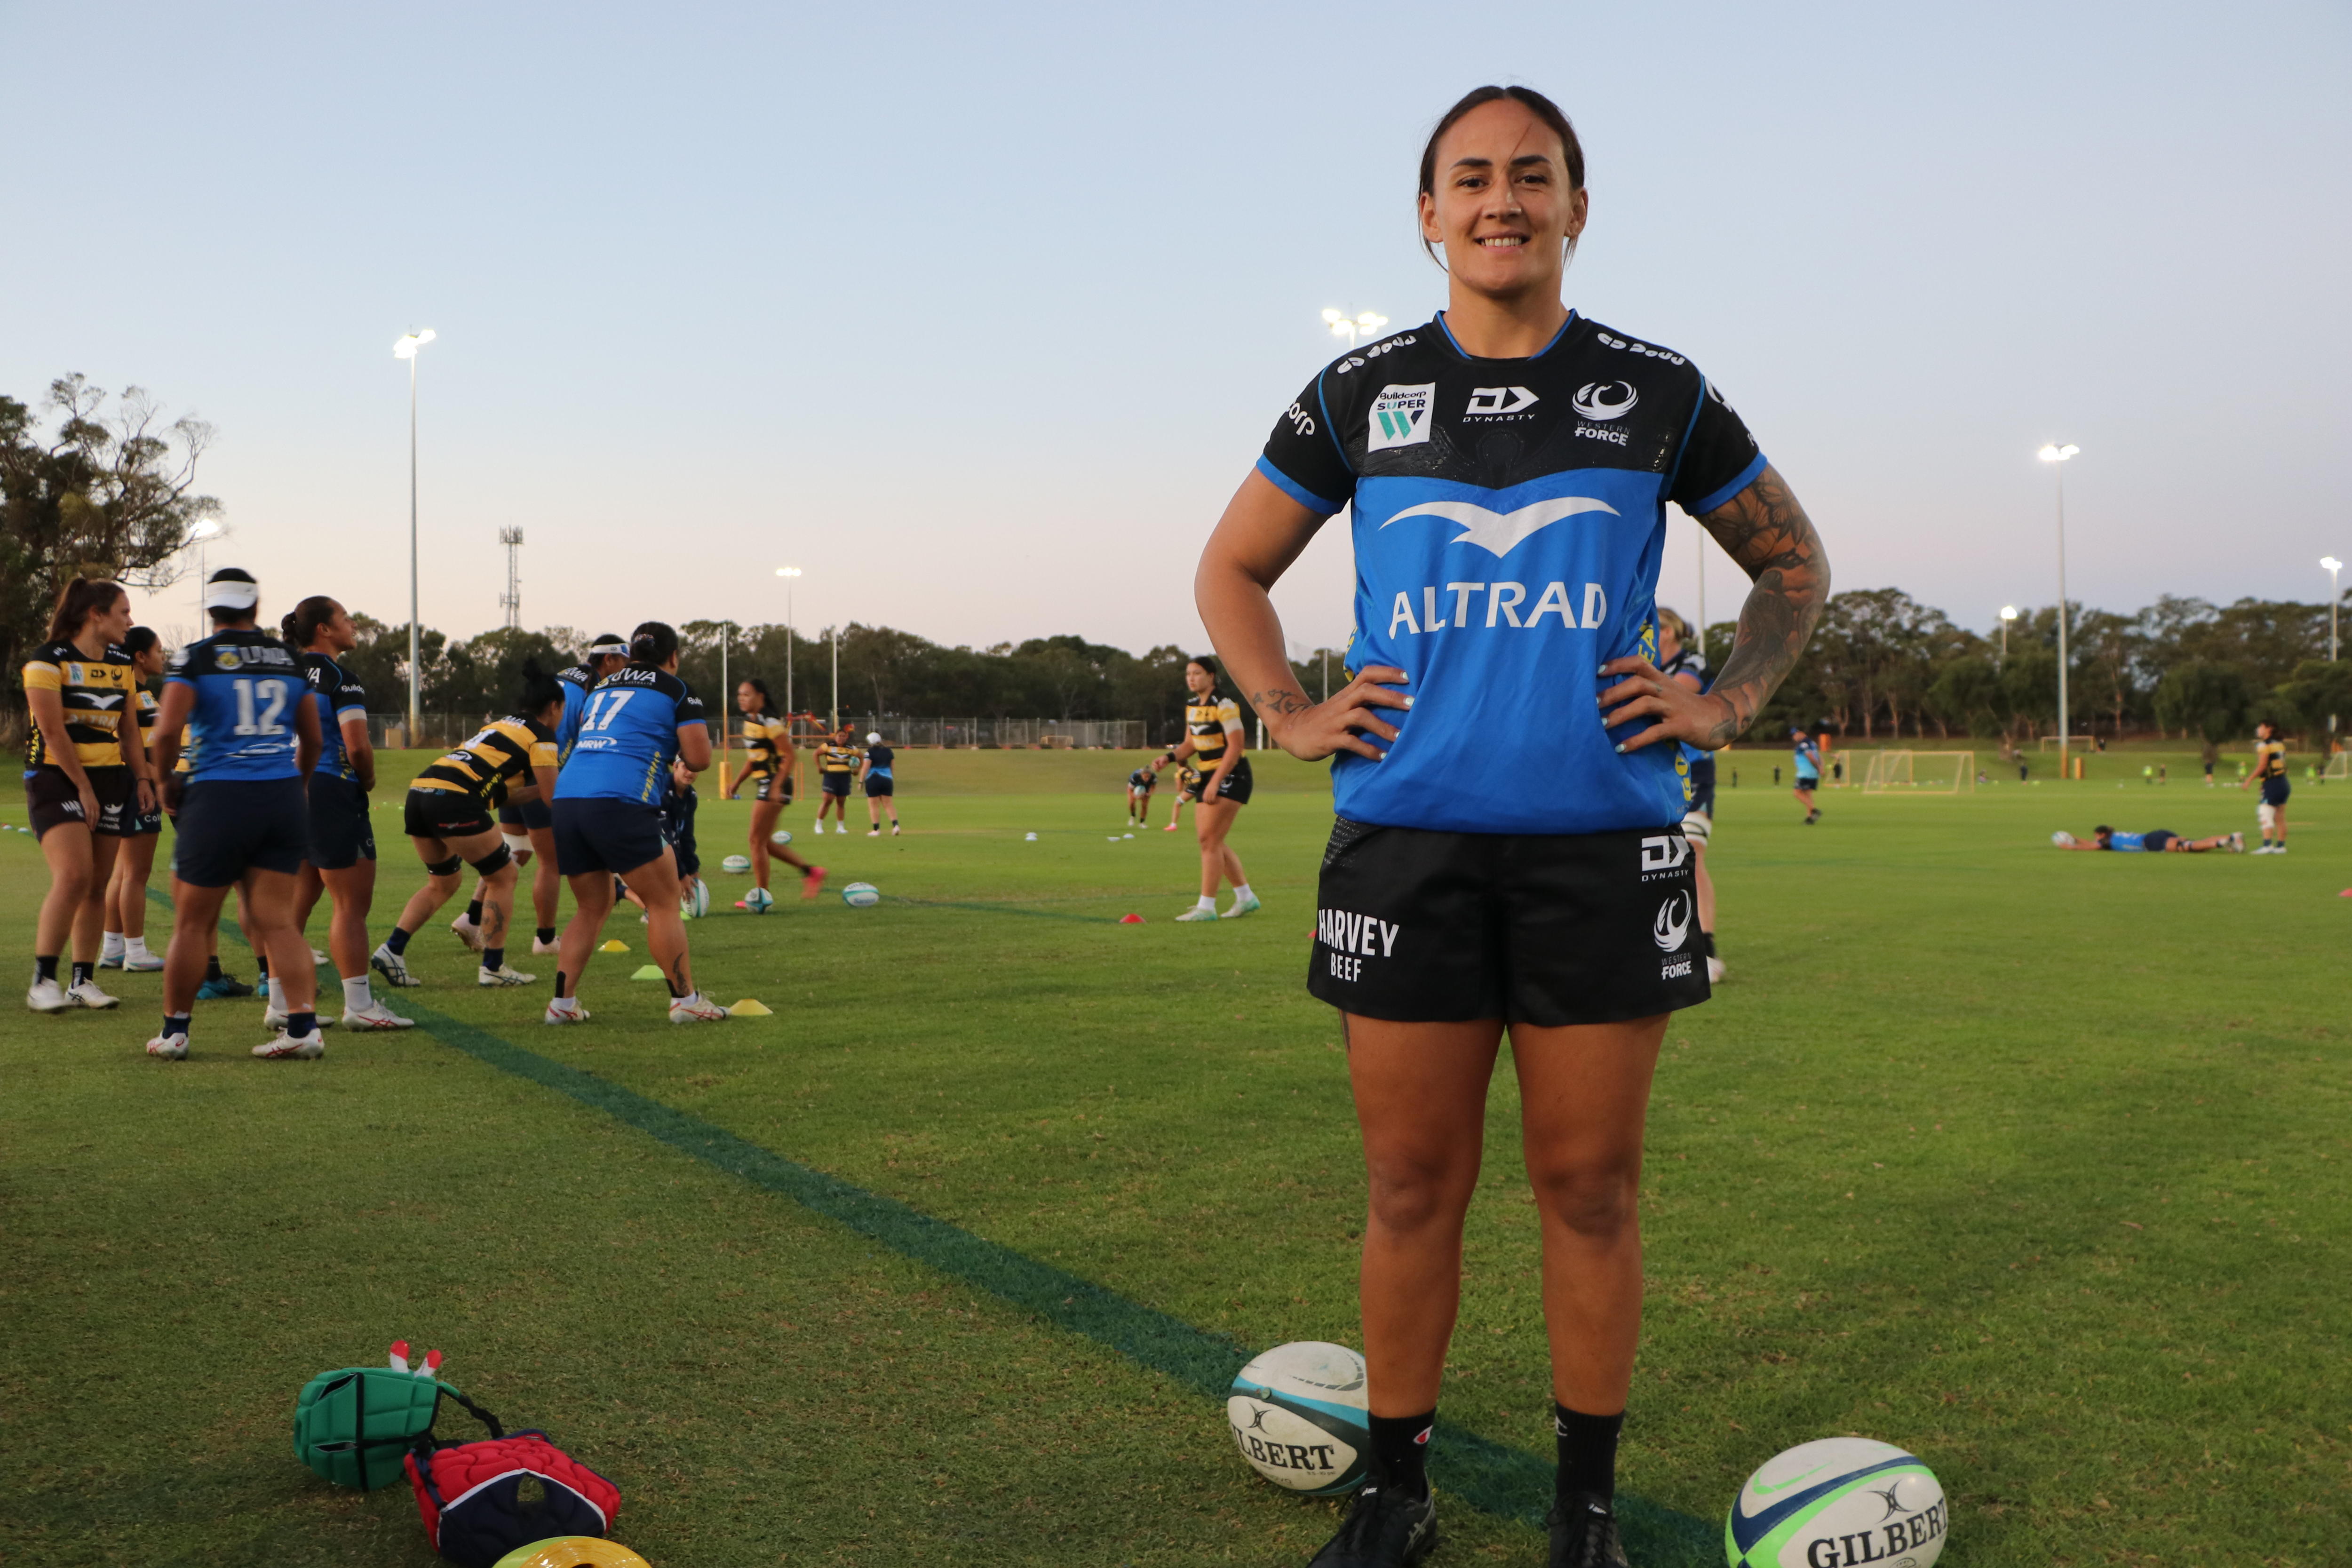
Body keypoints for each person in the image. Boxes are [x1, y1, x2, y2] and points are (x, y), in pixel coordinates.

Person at [1192, 85, 1828, 1566]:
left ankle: (1581, 1512)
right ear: (1425, 215)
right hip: (1404, 843)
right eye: (1468, 179)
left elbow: (1790, 561)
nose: (1500, 201)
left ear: (1575, 208)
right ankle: (1395, 1492)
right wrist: (1287, 709)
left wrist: (1721, 704)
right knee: (1411, 1185)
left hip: (1600, 844)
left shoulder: (1656, 389)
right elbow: (1231, 568)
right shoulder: (1356, 392)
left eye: (1530, 177)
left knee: (1590, 1189)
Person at [145, 568, 325, 1059]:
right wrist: (297, 785)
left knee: (192, 923)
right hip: (281, 796)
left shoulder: (198, 657)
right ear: (255, 606)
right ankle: (304, 1028)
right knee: (279, 922)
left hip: (218, 796)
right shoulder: (288, 657)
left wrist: (164, 782)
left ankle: (175, 1032)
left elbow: (164, 734)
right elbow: (312, 739)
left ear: (212, 609)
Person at [547, 621, 727, 1024]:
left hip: (568, 799)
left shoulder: (601, 686)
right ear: (674, 656)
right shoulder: (676, 688)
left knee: (590, 907)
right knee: (663, 902)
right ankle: (686, 1001)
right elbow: (698, 759)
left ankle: (561, 1005)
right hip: (619, 800)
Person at [371, 669, 563, 991]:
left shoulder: (498, 726)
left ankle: (392, 950)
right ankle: (493, 966)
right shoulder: (543, 735)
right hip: (455, 798)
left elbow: (506, 791)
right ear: (555, 707)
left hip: (421, 790)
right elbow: (553, 796)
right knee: (503, 876)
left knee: (443, 882)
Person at [23, 578, 157, 1011]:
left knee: (98, 884)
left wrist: (142, 779)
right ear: (95, 615)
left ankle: (83, 982)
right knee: (75, 875)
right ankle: (44, 980)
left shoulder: (120, 663)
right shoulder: (47, 661)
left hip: (112, 779)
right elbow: (52, 730)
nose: (130, 621)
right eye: (123, 611)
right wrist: (82, 787)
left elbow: (129, 730)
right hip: (56, 777)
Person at [283, 597, 412, 1030]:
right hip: (329, 788)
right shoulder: (341, 677)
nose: (352, 623)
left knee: (296, 902)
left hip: (285, 789)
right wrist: (368, 780)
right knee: (350, 904)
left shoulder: (282, 672)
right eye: (344, 618)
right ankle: (359, 1005)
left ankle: (282, 1003)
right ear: (323, 629)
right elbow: (357, 746)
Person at [1656, 610, 1723, 983]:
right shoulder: (1642, 659)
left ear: (1667, 631)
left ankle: (1707, 948)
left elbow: (1676, 694)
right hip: (1653, 770)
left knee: (1692, 856)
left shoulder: (1690, 660)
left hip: (1692, 772)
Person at [100, 627, 169, 974]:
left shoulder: (139, 691)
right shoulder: (132, 691)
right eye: (159, 650)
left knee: (124, 871)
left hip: (130, 785)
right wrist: (156, 778)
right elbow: (127, 744)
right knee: (136, 874)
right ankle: (136, 951)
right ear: (140, 656)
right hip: (137, 788)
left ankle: (112, 948)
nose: (163, 655)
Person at [1167, 656, 1257, 921]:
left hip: (1232, 774)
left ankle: (1206, 908)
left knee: (1209, 841)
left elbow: (1236, 746)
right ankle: (1246, 898)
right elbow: (1190, 745)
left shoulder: (1225, 704)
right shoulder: (1192, 706)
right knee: (1210, 841)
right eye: (1188, 674)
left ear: (1211, 676)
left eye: (1197, 673)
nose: (1191, 678)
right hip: (1206, 774)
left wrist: (1217, 781)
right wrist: (1169, 758)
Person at [726, 678, 826, 908]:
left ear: (761, 696)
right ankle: (812, 872)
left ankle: (762, 896)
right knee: (765, 844)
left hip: (773, 784)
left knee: (755, 841)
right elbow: (754, 759)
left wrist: (777, 785)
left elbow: (790, 755)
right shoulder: (749, 722)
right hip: (766, 784)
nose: (742, 698)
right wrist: (737, 782)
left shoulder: (770, 721)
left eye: (747, 694)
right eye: (740, 694)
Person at [2242, 719, 2289, 853]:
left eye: (2260, 726)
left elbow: (2262, 766)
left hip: (2273, 783)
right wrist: (2264, 782)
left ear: (2269, 729)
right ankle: (2281, 847)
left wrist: (2249, 780)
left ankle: (2267, 845)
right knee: (2280, 816)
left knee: (2265, 812)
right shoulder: (2279, 744)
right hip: (2283, 782)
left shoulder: (2264, 745)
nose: (2258, 729)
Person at [814, 722, 860, 835]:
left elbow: (862, 757)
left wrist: (858, 770)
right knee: (828, 800)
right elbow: (816, 754)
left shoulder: (850, 748)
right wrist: (819, 767)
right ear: (836, 737)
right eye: (840, 736)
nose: (841, 738)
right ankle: (818, 825)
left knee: (841, 802)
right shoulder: (828, 746)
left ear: (846, 737)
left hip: (845, 777)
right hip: (831, 776)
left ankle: (840, 827)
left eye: (844, 736)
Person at [2054, 825, 2242, 853]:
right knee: (2192, 843)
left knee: (2188, 847)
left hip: (2150, 842)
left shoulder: (2107, 841)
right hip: (2158, 834)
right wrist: (2074, 838)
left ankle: (2222, 843)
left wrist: (2071, 846)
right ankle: (2231, 838)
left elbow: (2092, 847)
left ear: (2101, 835)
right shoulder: (2114, 835)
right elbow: (2092, 843)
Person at [861, 730, 901, 836]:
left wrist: (861, 781)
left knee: (874, 805)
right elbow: (892, 767)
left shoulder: (869, 752)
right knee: (888, 804)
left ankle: (876, 830)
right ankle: (896, 826)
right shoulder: (889, 751)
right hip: (887, 779)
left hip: (874, 779)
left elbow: (866, 767)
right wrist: (890, 777)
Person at [1126, 752, 1174, 827]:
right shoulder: (1135, 777)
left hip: (1146, 788)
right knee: (1131, 803)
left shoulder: (1153, 777)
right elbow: (1129, 790)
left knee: (1145, 805)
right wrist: (1135, 796)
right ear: (1142, 775)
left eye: (1149, 777)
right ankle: (1133, 817)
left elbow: (1153, 787)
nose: (1147, 779)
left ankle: (1142, 823)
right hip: (1135, 788)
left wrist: (1149, 794)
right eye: (1145, 777)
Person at [1791, 727, 1822, 822]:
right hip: (1813, 773)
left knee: (1797, 793)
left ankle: (1814, 810)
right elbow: (1819, 756)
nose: (1794, 737)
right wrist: (1820, 768)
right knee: (1808, 795)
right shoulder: (1812, 743)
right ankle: (1810, 819)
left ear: (1801, 733)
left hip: (1805, 773)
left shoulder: (1804, 744)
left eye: (1795, 734)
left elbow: (1811, 757)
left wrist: (1818, 767)